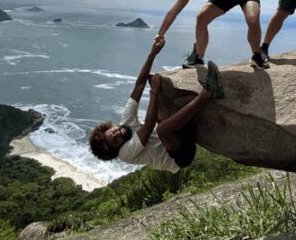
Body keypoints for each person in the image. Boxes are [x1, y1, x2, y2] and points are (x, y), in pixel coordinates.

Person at [88, 40, 224, 172]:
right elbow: (148, 125)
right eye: (116, 140)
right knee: (161, 129)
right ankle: (209, 93)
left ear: (109, 128)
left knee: (159, 90)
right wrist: (153, 90)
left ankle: (191, 68)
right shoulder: (125, 154)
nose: (118, 134)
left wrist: (152, 54)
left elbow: (139, 83)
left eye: (113, 132)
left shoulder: (126, 120)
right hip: (181, 157)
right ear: (116, 149)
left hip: (177, 134)